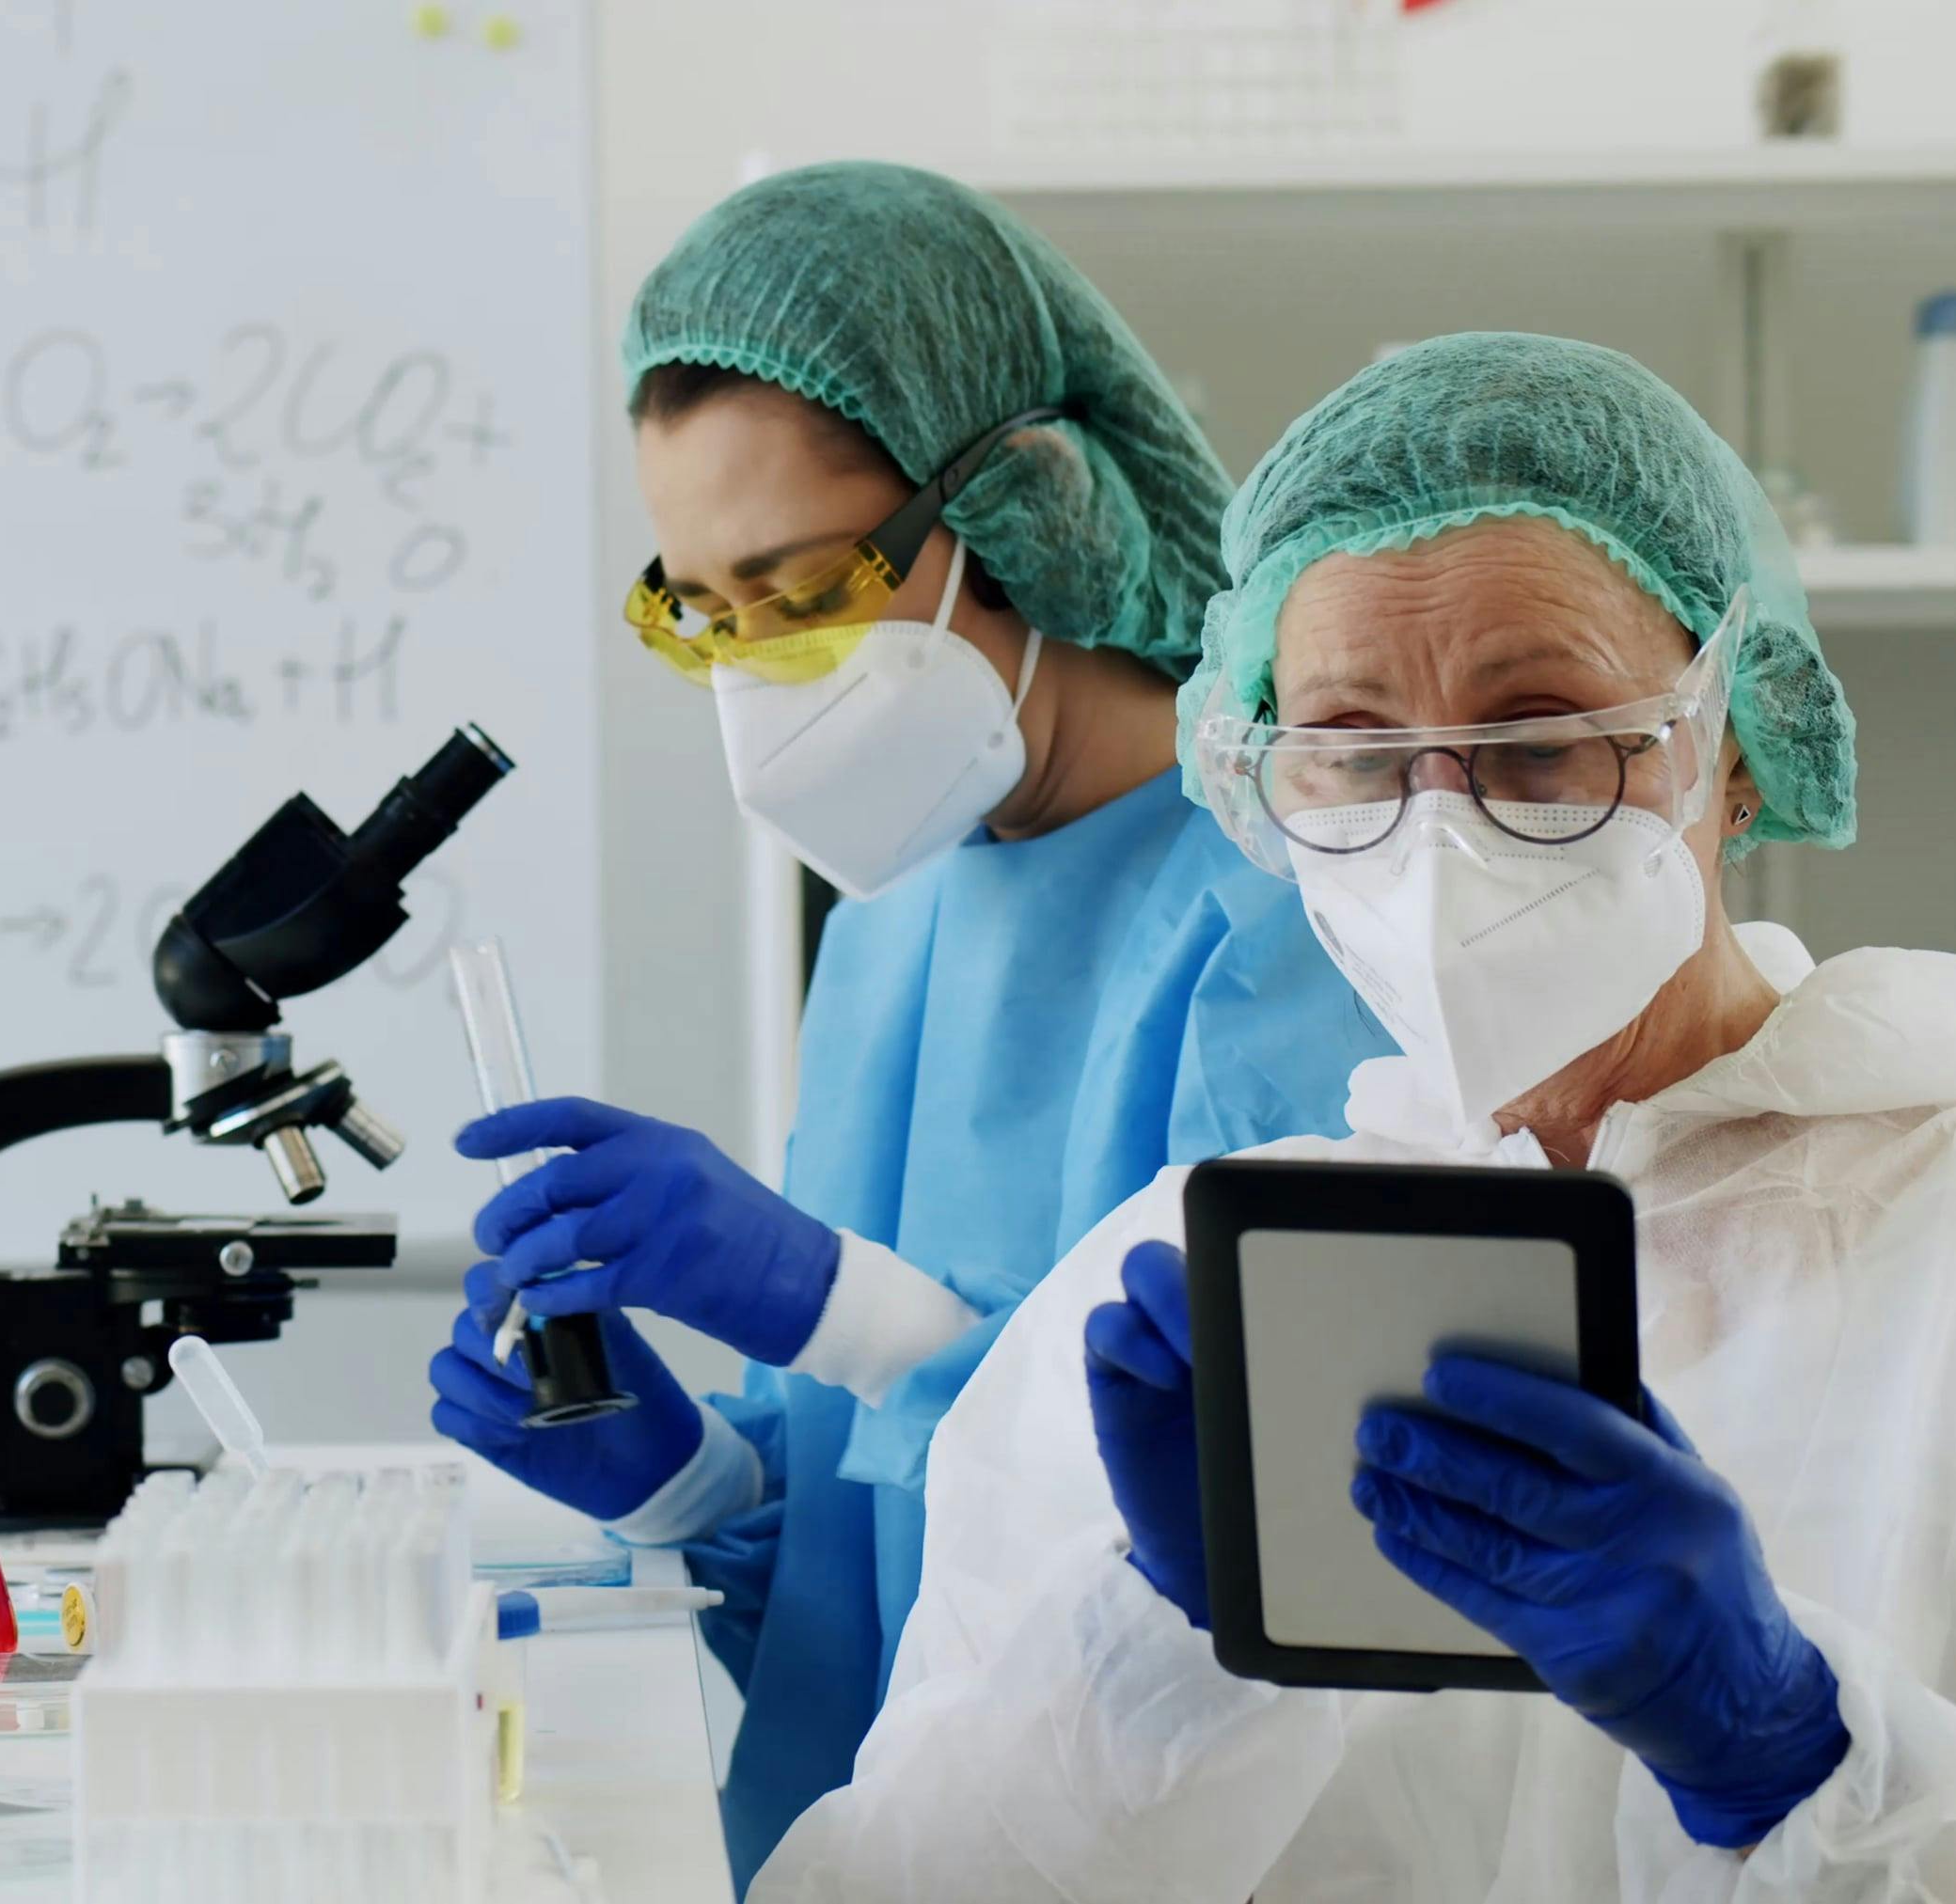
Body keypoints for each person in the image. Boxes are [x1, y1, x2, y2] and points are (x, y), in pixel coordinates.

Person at [756, 331, 1956, 1900]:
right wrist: (1160, 1639)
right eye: (1351, 755)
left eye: (1543, 736)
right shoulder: (1185, 1285)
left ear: (1734, 751)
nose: (1439, 840)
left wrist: (1791, 1750)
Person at [420, 161, 1390, 1887]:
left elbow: (1270, 1518)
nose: (752, 678)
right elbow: (887, 1561)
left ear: (1026, 512)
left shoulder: (1288, 906)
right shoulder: (892, 918)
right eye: (702, 612)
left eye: (798, 590)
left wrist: (831, 1297)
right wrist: (690, 1483)